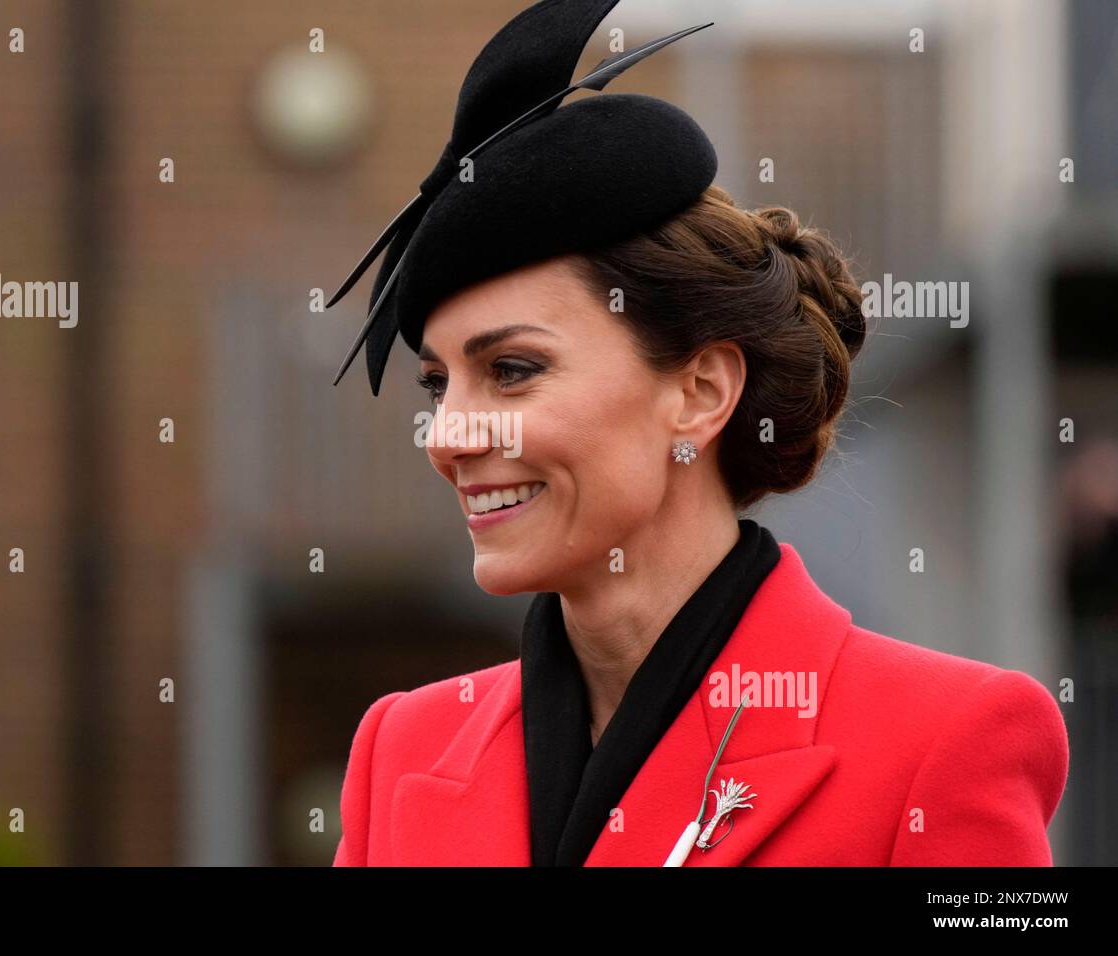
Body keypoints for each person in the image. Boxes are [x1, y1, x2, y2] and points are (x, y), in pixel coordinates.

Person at [325, 0, 1068, 867]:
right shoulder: (402, 746)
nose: (448, 436)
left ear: (702, 392)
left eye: (514, 371)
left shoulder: (946, 740)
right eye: (438, 386)